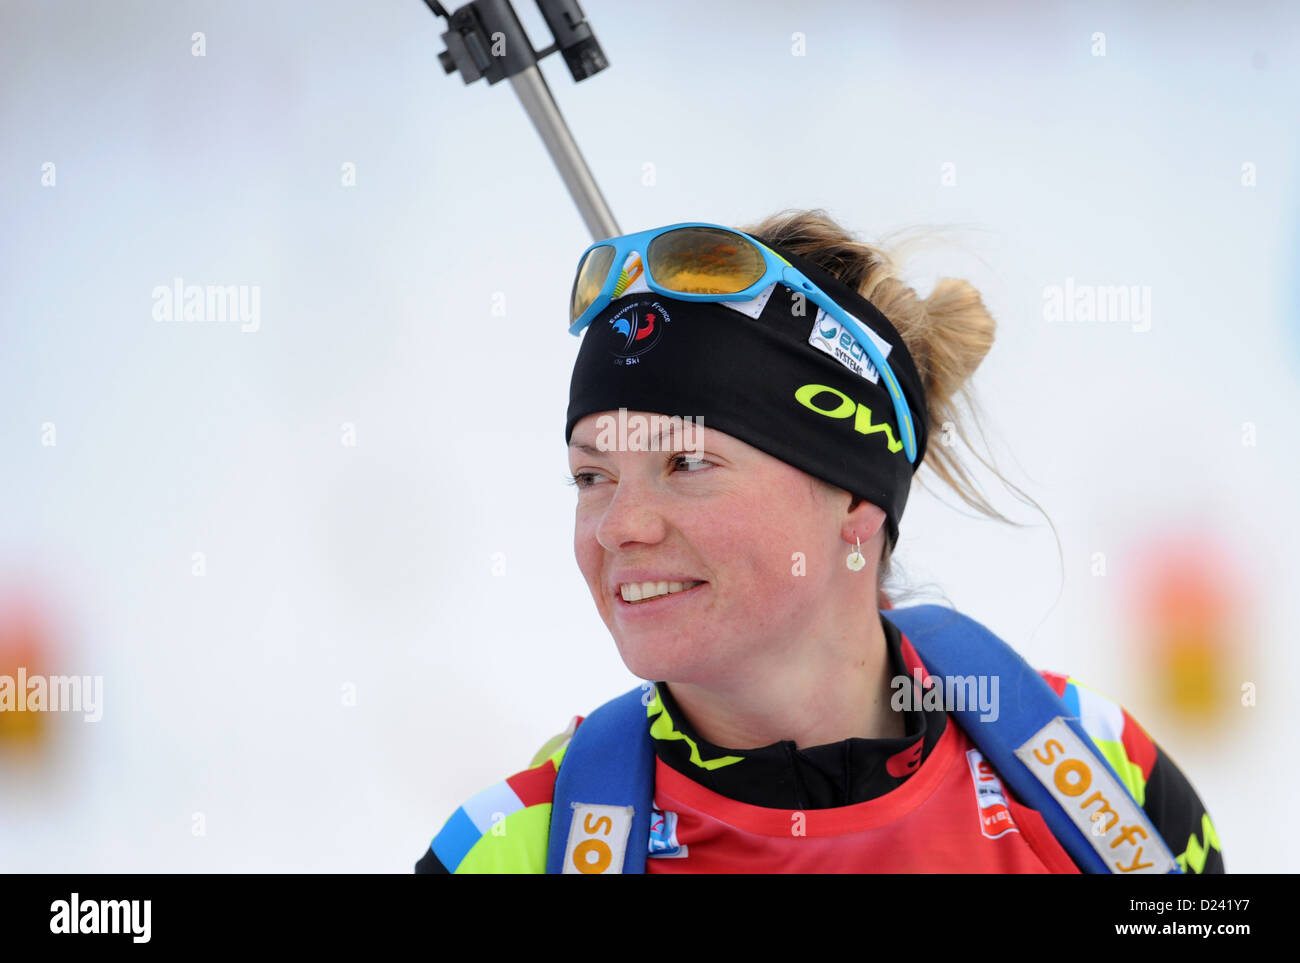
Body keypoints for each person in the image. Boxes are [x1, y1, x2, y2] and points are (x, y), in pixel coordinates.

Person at [415, 210, 1224, 874]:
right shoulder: (520, 848)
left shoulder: (1094, 778)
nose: (621, 524)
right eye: (592, 476)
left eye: (687, 461)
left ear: (857, 498)